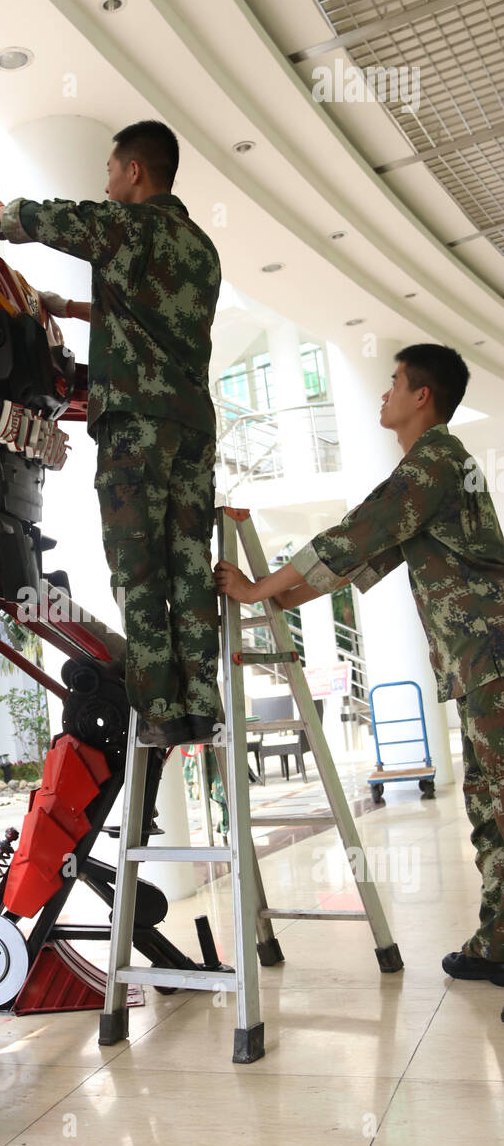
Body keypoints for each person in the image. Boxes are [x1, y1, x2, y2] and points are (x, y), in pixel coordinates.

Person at [215, 343, 504, 988]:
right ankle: (497, 940)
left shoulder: (434, 463)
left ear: (421, 397)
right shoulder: (432, 473)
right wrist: (283, 596)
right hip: (478, 663)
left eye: (394, 383)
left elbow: (359, 532)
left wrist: (261, 592)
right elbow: (368, 558)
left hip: (493, 657)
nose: (384, 394)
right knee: (488, 800)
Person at [0, 120, 223, 748]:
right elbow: (155, 314)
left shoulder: (130, 226)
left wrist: (0, 217)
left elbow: (65, 219)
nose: (107, 181)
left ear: (135, 170)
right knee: (190, 567)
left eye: (112, 169)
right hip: (192, 428)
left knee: (137, 569)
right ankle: (203, 703)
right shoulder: (200, 249)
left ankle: (161, 715)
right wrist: (72, 309)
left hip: (135, 430)